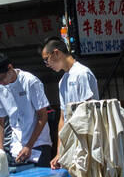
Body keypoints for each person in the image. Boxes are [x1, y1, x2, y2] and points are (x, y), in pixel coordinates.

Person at [0, 51, 52, 166]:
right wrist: (1, 153)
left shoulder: (30, 81)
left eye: (2, 78)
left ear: (10, 68)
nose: (1, 83)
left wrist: (29, 146)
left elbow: (43, 115)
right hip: (16, 147)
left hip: (38, 144)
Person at [41, 37, 98, 168]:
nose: (47, 64)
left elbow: (90, 112)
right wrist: (59, 152)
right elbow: (62, 118)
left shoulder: (82, 73)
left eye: (46, 59)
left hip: (86, 141)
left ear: (56, 53)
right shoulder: (62, 81)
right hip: (71, 143)